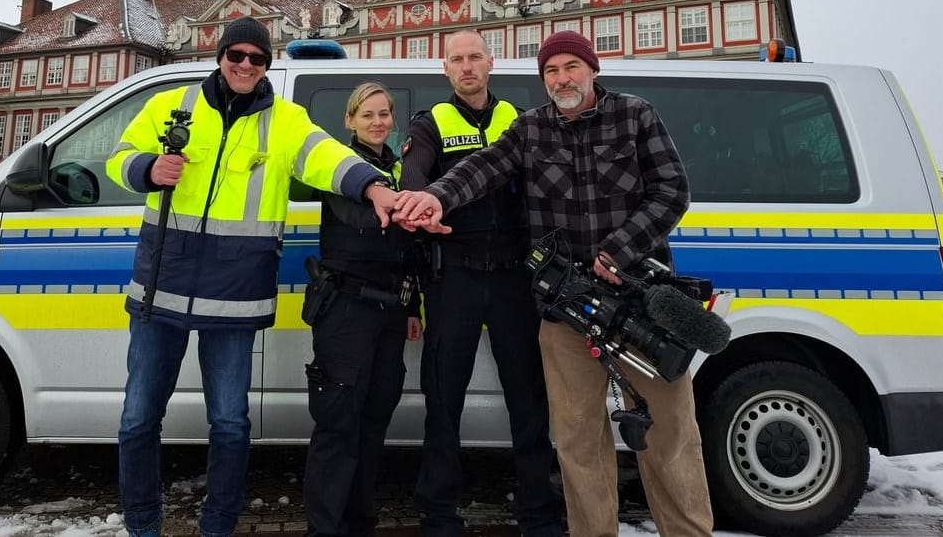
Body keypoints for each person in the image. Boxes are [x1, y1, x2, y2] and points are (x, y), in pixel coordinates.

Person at [394, 30, 712, 537]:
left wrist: (620, 250)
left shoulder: (635, 115)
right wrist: (436, 198)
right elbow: (482, 168)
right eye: (551, 71)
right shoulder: (529, 129)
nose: (562, 78)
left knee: (669, 434)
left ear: (592, 69)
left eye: (571, 67)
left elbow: (673, 190)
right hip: (566, 308)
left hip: (638, 301)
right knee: (578, 441)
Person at [105, 16, 398, 537]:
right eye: (235, 55)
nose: (244, 65)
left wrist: (374, 187)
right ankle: (142, 527)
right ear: (221, 56)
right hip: (161, 286)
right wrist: (147, 168)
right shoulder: (171, 107)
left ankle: (218, 527)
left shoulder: (285, 121)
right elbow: (119, 158)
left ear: (267, 64)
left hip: (234, 297)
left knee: (232, 426)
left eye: (256, 58)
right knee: (137, 422)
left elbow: (328, 156)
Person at [400, 30, 563, 537]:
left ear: (491, 64)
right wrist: (419, 209)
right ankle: (439, 515)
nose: (467, 67)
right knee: (443, 401)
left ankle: (540, 515)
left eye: (475, 58)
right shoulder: (430, 124)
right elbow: (413, 180)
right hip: (455, 277)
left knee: (529, 399)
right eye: (457, 60)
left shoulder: (523, 121)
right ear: (445, 69)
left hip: (517, 277)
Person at [301, 82, 424, 537]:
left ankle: (359, 523)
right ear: (349, 121)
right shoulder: (340, 166)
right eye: (367, 115)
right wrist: (404, 212)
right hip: (346, 308)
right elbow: (359, 219)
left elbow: (408, 252)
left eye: (384, 114)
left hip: (391, 311)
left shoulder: (397, 168)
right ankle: (325, 529)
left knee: (374, 423)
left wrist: (413, 307)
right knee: (338, 426)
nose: (377, 122)